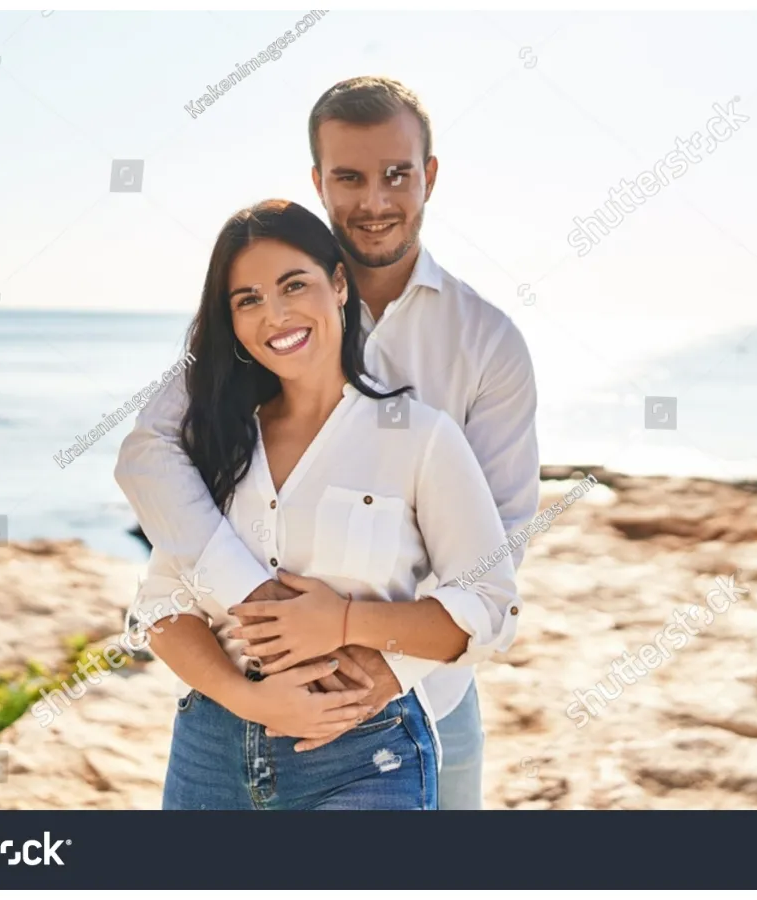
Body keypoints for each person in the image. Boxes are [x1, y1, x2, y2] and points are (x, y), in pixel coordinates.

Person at [115, 76, 540, 809]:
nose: (374, 201)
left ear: (428, 176)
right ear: (319, 181)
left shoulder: (486, 343)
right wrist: (256, 602)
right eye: (348, 177)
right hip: (235, 723)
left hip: (421, 703)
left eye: (396, 174)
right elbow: (150, 454)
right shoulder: (250, 355)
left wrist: (377, 660)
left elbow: (495, 554)